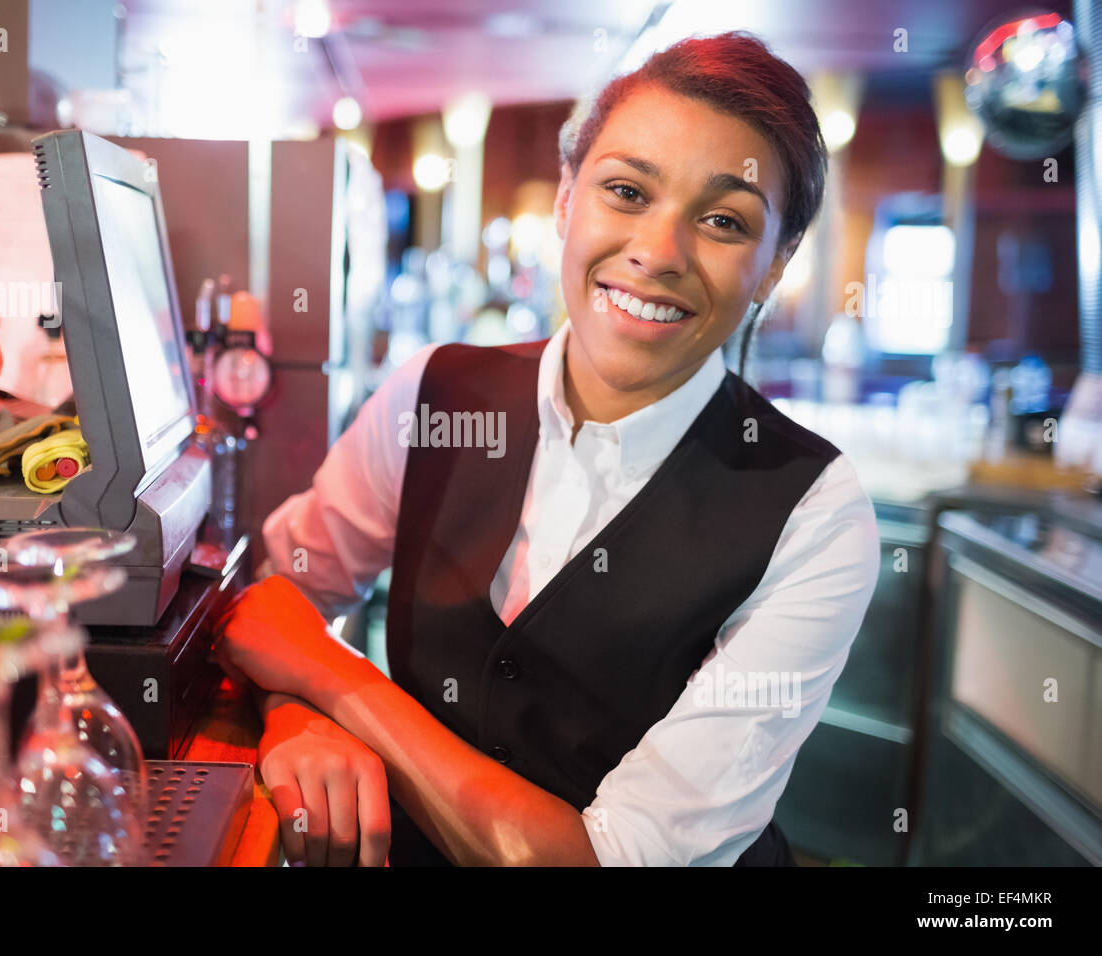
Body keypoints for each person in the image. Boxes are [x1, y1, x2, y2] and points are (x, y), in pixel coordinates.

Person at [213, 30, 881, 867]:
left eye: (722, 220)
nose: (657, 253)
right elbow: (275, 607)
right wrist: (297, 714)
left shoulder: (813, 513)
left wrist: (338, 683)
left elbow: (614, 858)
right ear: (568, 198)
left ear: (776, 264)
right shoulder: (435, 393)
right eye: (627, 190)